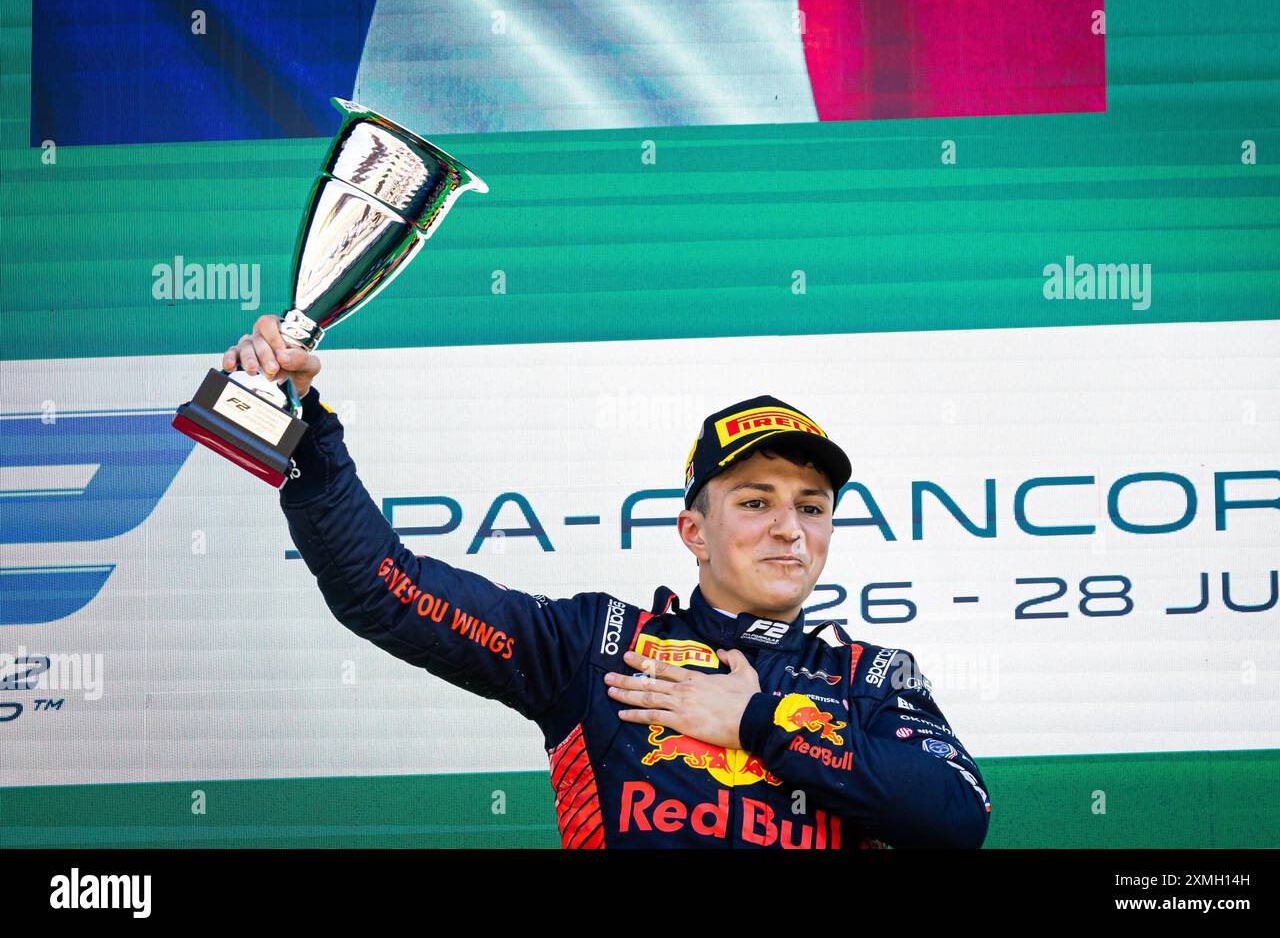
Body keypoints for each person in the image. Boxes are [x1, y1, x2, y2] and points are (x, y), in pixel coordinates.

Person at [225, 315, 992, 849]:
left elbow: (956, 821)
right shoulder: (597, 646)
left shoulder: (872, 676)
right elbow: (383, 588)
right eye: (755, 502)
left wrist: (760, 720)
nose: (789, 527)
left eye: (811, 507)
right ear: (694, 530)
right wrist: (305, 430)